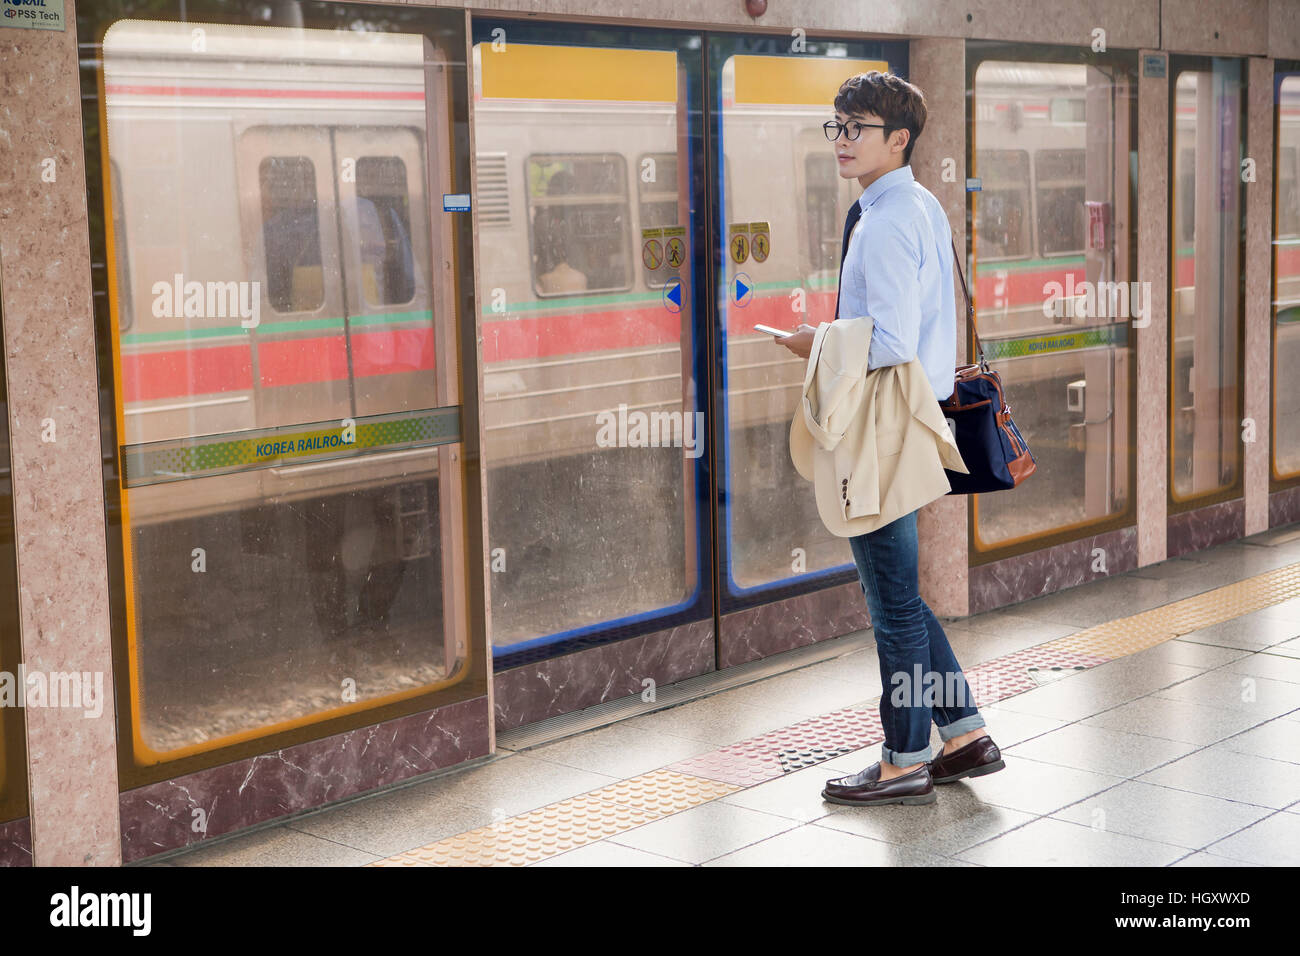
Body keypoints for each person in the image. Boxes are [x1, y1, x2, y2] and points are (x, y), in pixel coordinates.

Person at [778, 71, 1004, 807]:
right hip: (911, 418)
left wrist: (817, 344)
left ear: (897, 138)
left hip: (884, 425)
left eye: (857, 128)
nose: (842, 141)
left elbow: (894, 342)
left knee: (893, 605)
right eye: (836, 126)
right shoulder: (915, 203)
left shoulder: (885, 219)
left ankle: (904, 757)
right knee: (902, 595)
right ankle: (963, 731)